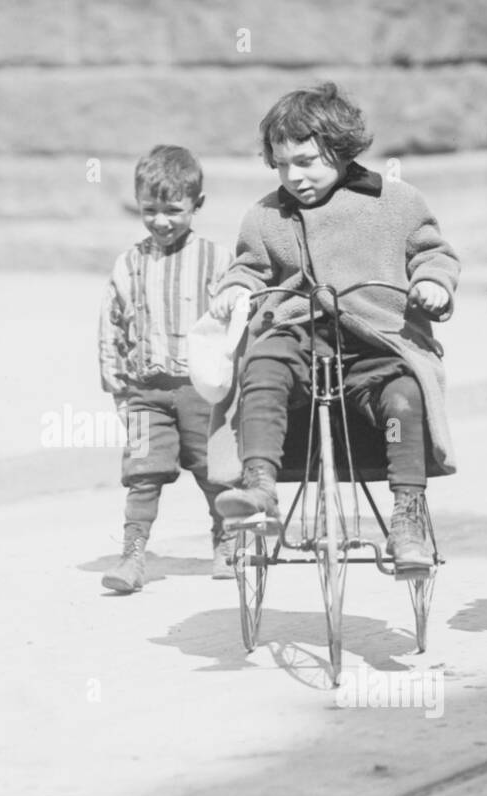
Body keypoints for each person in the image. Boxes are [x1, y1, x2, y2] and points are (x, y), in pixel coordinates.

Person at [210, 84, 460, 574]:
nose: (293, 177)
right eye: (281, 164)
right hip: (300, 330)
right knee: (261, 366)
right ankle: (259, 486)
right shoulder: (266, 215)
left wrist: (433, 283)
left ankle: (408, 516)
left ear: (341, 149)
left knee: (405, 394)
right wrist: (235, 288)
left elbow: (433, 253)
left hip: (377, 335)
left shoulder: (396, 202)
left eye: (305, 161)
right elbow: (250, 267)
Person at [98, 145, 233, 593]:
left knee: (212, 469)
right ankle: (133, 554)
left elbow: (236, 324)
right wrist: (118, 390)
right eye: (150, 209)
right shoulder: (129, 263)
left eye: (173, 210)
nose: (161, 220)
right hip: (145, 392)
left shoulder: (218, 260)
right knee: (141, 473)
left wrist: (233, 385)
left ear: (197, 205)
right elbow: (111, 328)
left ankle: (227, 540)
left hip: (201, 390)